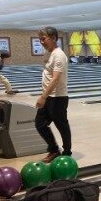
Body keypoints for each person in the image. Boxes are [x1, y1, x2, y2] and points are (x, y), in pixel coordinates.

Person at [35, 26, 72, 163]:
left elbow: (55, 79)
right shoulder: (48, 53)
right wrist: (44, 95)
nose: (41, 42)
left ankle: (67, 152)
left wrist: (43, 97)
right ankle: (54, 150)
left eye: (44, 39)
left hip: (58, 98)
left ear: (54, 38)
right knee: (40, 123)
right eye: (40, 39)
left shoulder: (59, 55)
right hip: (49, 96)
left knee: (61, 125)